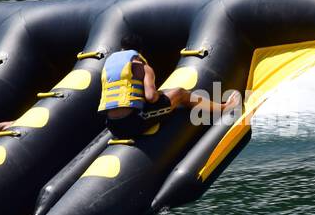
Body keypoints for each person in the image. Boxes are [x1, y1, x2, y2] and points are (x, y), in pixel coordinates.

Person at [98, 37, 241, 139]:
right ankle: (224, 107)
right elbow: (151, 97)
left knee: (164, 93)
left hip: (111, 126)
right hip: (132, 123)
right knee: (180, 93)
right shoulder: (142, 65)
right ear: (140, 51)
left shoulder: (110, 67)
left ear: (122, 49)